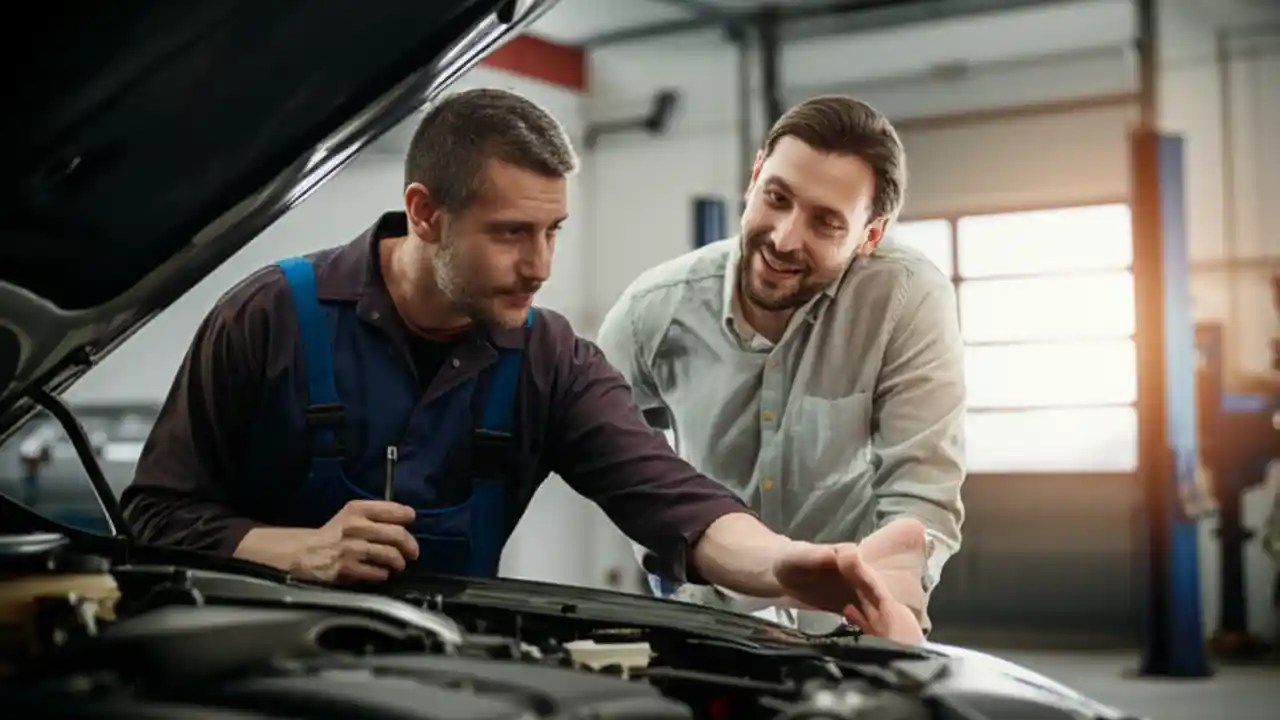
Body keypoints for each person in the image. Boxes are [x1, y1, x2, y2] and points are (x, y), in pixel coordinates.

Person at [120, 87, 927, 644]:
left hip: (447, 681)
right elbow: (153, 517)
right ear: (426, 212)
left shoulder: (549, 359)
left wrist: (786, 566)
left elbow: (672, 498)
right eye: (511, 233)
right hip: (240, 676)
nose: (541, 266)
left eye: (554, 232)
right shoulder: (268, 318)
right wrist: (292, 550)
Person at [596, 95, 965, 635]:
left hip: (849, 617)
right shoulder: (653, 311)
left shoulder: (907, 300)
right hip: (706, 614)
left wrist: (894, 604)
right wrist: (666, 556)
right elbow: (587, 435)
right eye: (777, 197)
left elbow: (921, 486)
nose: (785, 238)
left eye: (826, 223)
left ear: (871, 235)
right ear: (754, 178)